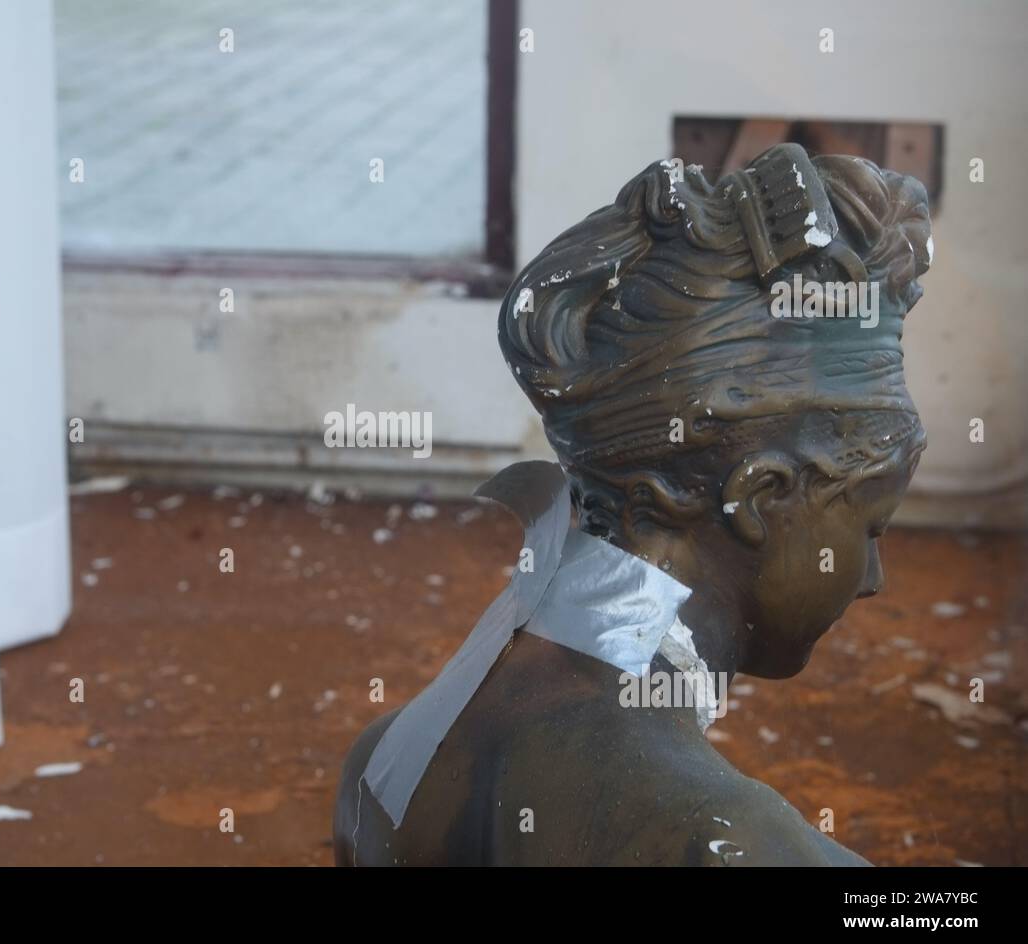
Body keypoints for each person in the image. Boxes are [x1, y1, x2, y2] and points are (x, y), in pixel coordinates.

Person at [334, 144, 933, 866]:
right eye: (872, 527)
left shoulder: (379, 765)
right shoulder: (734, 846)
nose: (873, 576)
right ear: (761, 497)